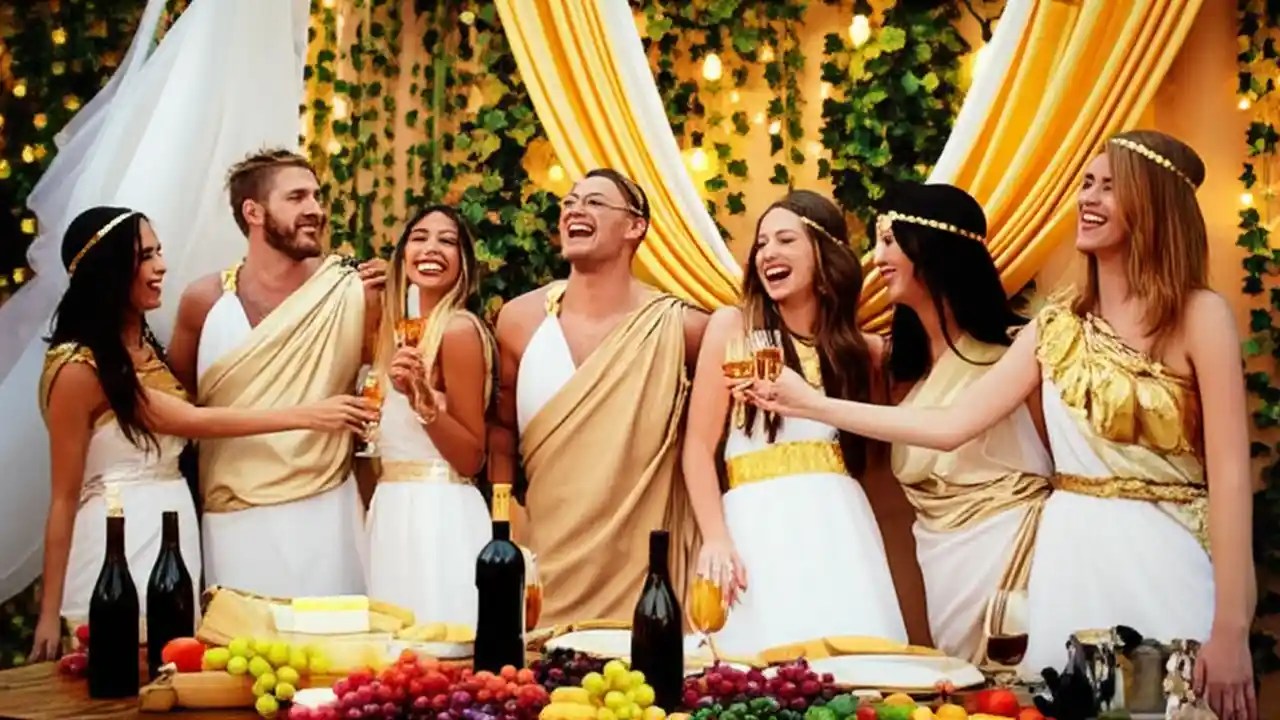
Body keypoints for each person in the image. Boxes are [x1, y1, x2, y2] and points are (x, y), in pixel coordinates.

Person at [745, 130, 1255, 720]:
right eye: (1086, 183)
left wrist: (1231, 628)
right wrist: (812, 403)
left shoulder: (1200, 315)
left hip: (1168, 556)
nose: (1087, 198)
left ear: (1155, 202)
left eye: (1109, 186)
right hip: (1072, 560)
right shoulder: (1057, 327)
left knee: (1165, 711)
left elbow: (1232, 480)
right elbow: (950, 424)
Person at [29, 206, 375, 661]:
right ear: (110, 270)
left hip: (173, 528)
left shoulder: (146, 348)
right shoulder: (80, 367)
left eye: (159, 251)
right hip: (118, 534)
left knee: (173, 669)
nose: (161, 266)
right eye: (145, 256)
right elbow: (66, 496)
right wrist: (48, 613)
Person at [683, 190, 907, 655]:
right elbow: (698, 448)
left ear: (824, 257)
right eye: (762, 244)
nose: (768, 253)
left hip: (836, 523)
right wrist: (716, 538)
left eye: (785, 240)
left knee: (851, 663)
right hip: (754, 521)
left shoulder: (863, 352)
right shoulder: (732, 328)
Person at [489, 168, 709, 626]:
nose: (574, 210)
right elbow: (501, 431)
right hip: (547, 556)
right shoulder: (518, 320)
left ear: (635, 227)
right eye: (569, 202)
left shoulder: (680, 328)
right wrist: (506, 527)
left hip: (642, 568)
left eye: (593, 202)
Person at [167, 149, 387, 598]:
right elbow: (176, 408)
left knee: (333, 654)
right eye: (297, 197)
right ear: (254, 212)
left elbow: (382, 387)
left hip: (326, 507)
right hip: (232, 511)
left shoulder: (354, 291)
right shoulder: (204, 301)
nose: (316, 210)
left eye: (317, 196)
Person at [871, 182, 1053, 662]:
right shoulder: (903, 372)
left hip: (1014, 556)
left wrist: (807, 402)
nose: (875, 258)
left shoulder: (1017, 360)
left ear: (929, 248)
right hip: (943, 568)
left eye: (888, 241)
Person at [365, 205, 494, 625]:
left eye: (447, 240)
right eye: (419, 237)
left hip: (440, 513)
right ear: (402, 253)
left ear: (464, 263)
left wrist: (423, 404)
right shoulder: (394, 334)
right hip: (390, 510)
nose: (431, 248)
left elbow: (472, 457)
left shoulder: (458, 332)